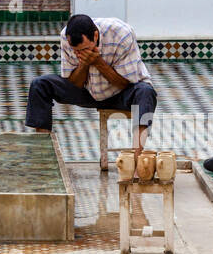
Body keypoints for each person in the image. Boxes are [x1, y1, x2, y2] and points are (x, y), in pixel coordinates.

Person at [26, 13, 158, 154]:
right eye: (76, 51)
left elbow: (125, 83)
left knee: (146, 92)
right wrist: (84, 63)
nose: (79, 53)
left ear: (95, 36)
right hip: (88, 91)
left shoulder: (121, 34)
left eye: (84, 49)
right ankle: (42, 152)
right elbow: (74, 83)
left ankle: (135, 160)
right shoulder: (65, 36)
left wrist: (98, 62)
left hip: (121, 93)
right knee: (39, 85)